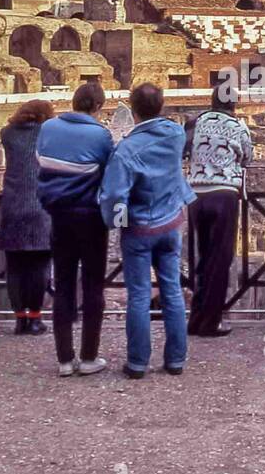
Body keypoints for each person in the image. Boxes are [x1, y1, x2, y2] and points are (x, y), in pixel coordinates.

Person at [100, 83, 195, 379]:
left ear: (134, 109)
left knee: (140, 296)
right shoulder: (176, 134)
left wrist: (113, 220)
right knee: (172, 291)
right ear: (162, 105)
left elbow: (115, 194)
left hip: (140, 228)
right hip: (171, 223)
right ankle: (176, 360)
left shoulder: (127, 149)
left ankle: (138, 362)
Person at [36, 81, 113, 377]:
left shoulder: (48, 128)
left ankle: (65, 360)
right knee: (93, 286)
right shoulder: (100, 135)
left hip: (58, 215)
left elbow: (41, 163)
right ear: (97, 107)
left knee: (64, 284)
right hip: (91, 217)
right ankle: (89, 356)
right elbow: (110, 171)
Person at [185, 86, 254, 337]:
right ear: (234, 104)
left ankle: (195, 319)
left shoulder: (195, 122)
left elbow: (185, 150)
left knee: (203, 258)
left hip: (196, 196)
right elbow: (248, 157)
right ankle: (210, 322)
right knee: (220, 259)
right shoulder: (239, 126)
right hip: (224, 195)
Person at [0, 99, 54, 335]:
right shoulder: (49, 133)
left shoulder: (7, 133)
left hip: (12, 205)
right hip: (41, 206)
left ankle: (20, 319)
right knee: (39, 265)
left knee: (15, 265)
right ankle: (35, 318)